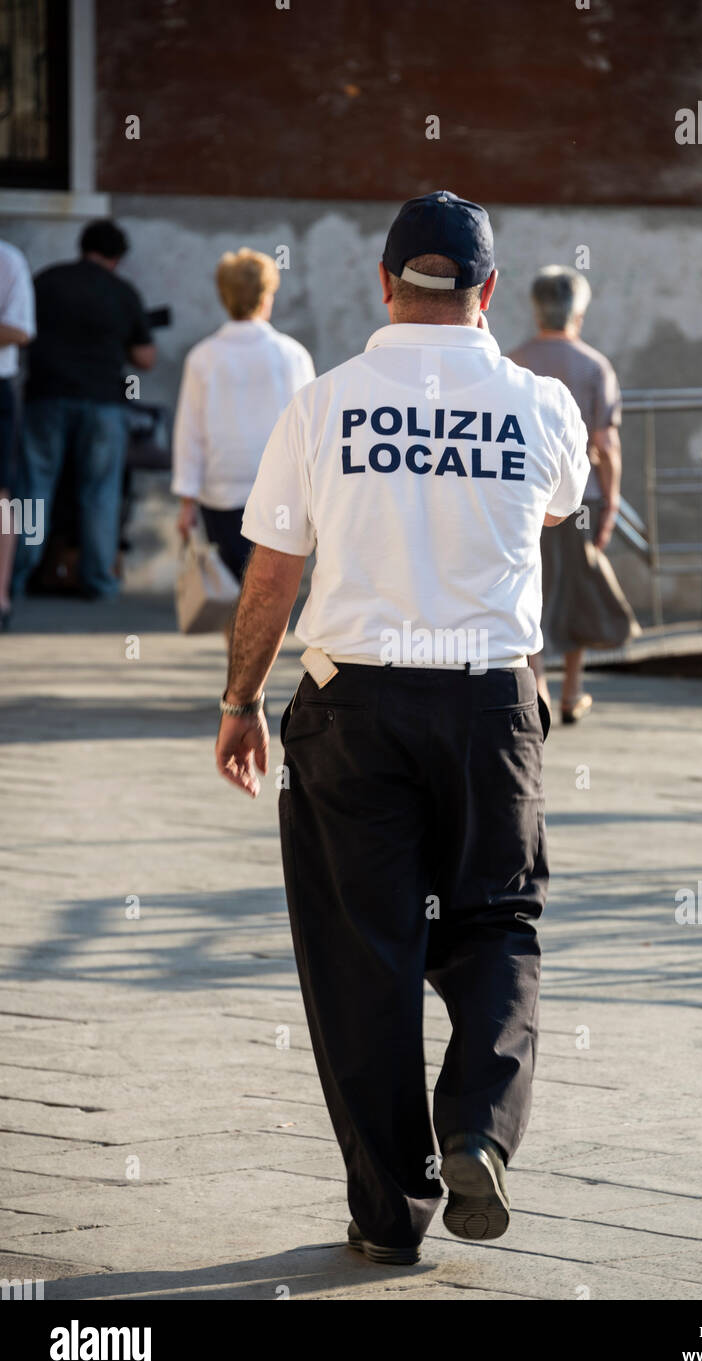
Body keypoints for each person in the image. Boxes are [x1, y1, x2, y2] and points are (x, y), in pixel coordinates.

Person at [215, 191, 590, 1264]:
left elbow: (274, 576)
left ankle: (388, 1217)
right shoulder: (540, 398)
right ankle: (476, 1122)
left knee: (359, 963)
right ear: (489, 290)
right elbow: (562, 505)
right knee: (497, 927)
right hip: (488, 702)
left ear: (383, 283)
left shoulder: (323, 403)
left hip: (353, 707)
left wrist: (240, 701)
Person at [509, 266, 637, 722]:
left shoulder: (513, 362)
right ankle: (572, 691)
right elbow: (605, 444)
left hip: (523, 497)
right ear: (578, 313)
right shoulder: (594, 365)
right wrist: (613, 500)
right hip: (582, 498)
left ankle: (537, 686)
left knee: (531, 588)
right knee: (577, 589)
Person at [11, 219, 155, 600]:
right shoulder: (122, 292)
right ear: (118, 257)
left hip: (46, 396)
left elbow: (22, 332)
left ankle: (16, 576)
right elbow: (145, 357)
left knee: (33, 490)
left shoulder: (46, 281)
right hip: (104, 404)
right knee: (101, 493)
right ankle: (99, 581)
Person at [172, 247, 315, 586]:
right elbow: (310, 430)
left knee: (231, 589)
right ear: (267, 296)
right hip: (280, 492)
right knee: (271, 588)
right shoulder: (292, 355)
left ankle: (234, 641)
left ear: (224, 296)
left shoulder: (203, 357)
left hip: (220, 493)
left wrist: (186, 501)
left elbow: (189, 432)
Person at [0, 238, 35, 630]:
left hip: (0, 383)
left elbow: (20, 329)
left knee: (4, 494)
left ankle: (2, 595)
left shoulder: (8, 259)